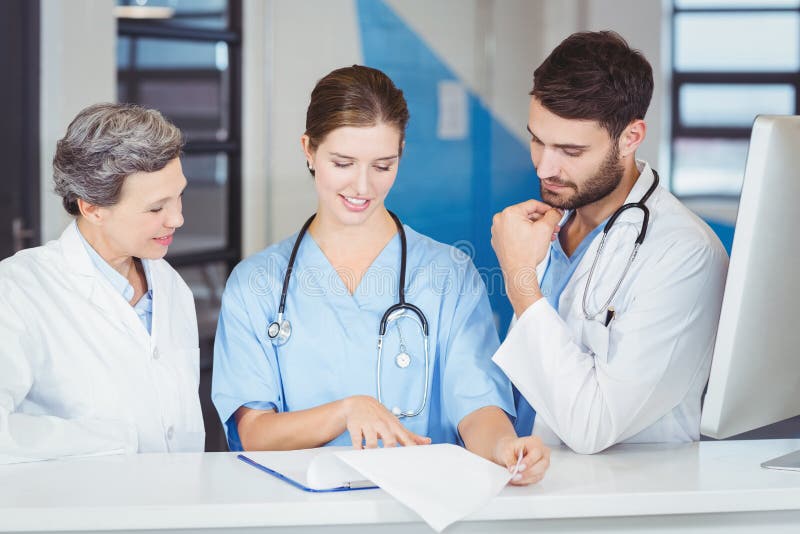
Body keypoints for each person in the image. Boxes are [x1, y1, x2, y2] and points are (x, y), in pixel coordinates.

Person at [212, 65, 549, 485]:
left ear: (401, 154)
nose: (362, 185)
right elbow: (254, 432)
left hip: (424, 509)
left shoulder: (448, 273)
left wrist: (503, 448)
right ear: (308, 150)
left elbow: (477, 404)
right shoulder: (256, 284)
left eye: (382, 165)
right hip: (301, 512)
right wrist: (346, 411)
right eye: (343, 162)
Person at [490, 31, 729, 454]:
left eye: (570, 150)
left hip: (620, 497)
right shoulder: (547, 225)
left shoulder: (685, 254)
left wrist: (520, 281)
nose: (545, 167)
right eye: (537, 140)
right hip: (528, 479)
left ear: (631, 137)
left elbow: (592, 427)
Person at [0, 103, 204, 463]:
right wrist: (115, 437)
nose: (177, 218)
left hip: (175, 506)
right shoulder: (18, 292)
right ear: (92, 208)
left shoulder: (170, 286)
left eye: (180, 196)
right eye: (156, 208)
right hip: (77, 512)